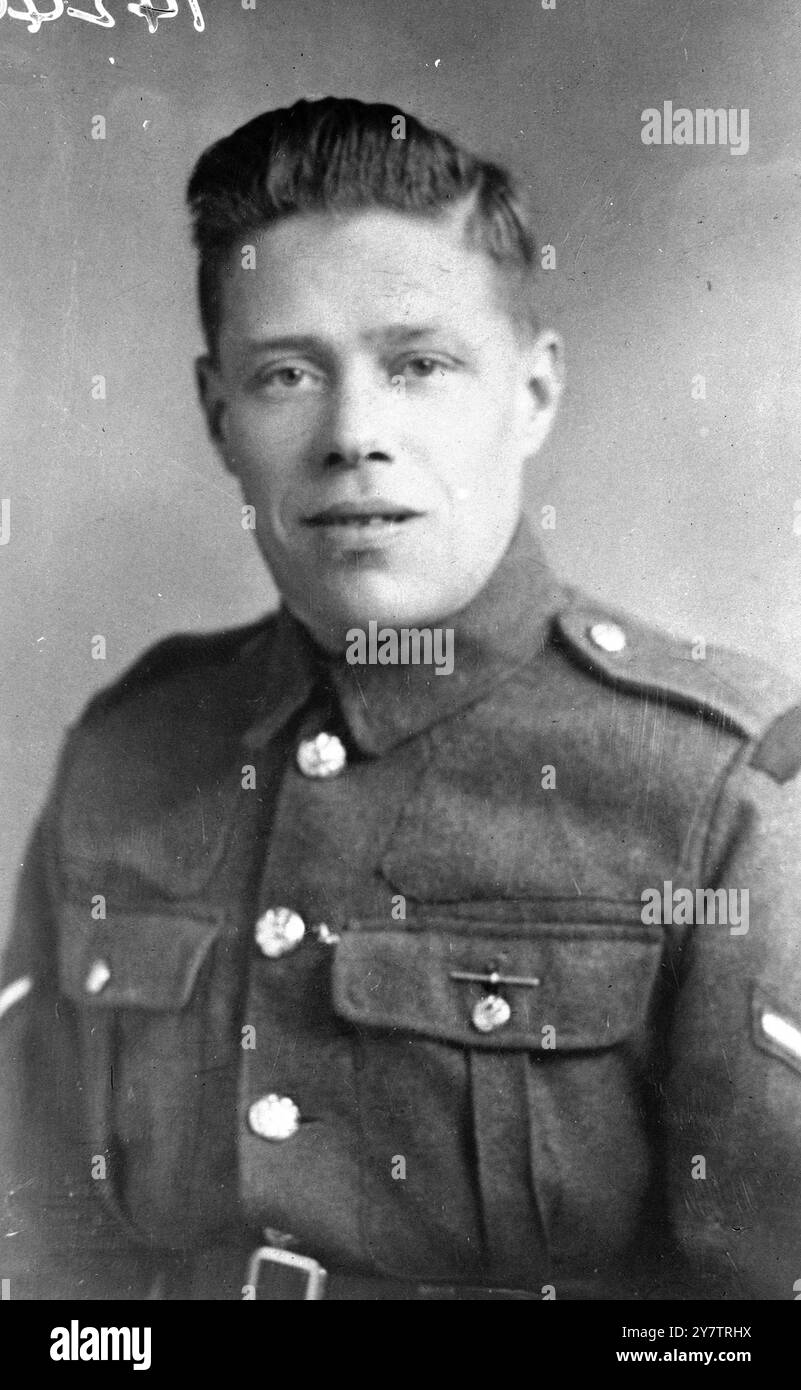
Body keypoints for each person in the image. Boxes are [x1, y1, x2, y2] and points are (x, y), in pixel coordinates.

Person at [2, 96, 801, 1302]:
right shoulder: (133, 748)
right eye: (286, 374)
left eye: (419, 364)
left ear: (533, 393)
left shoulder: (724, 787)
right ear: (220, 416)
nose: (354, 435)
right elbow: (39, 1257)